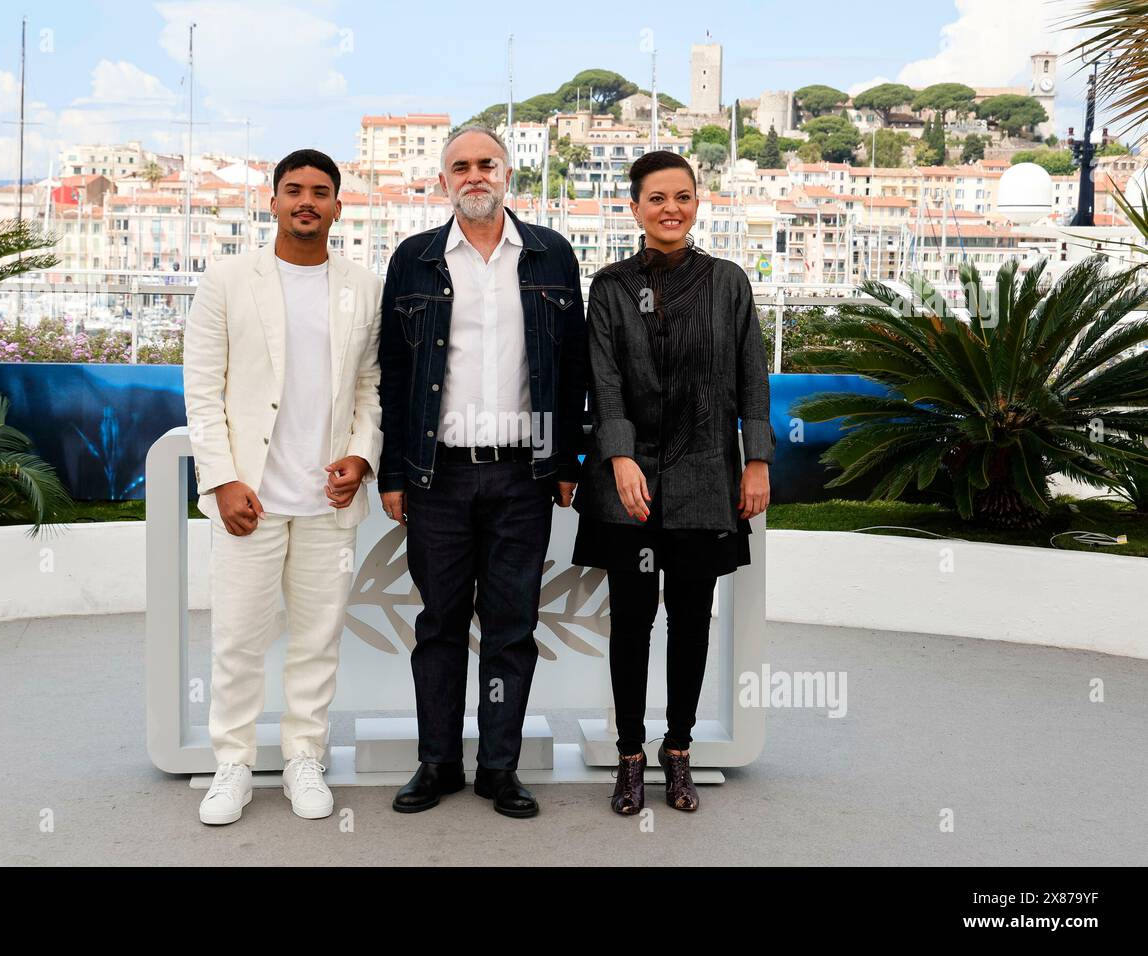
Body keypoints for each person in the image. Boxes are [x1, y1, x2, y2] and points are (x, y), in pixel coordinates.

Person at [377, 126, 588, 818]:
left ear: (507, 175)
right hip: (437, 476)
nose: (474, 175)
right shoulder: (414, 260)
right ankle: (437, 762)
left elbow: (571, 371)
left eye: (486, 164)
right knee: (439, 623)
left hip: (523, 477)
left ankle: (499, 766)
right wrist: (393, 473)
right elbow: (395, 375)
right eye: (460, 166)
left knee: (511, 625)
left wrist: (565, 459)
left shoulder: (552, 253)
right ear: (444, 181)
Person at [182, 149, 384, 824]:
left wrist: (360, 457)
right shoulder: (228, 280)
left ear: (337, 206)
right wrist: (224, 480)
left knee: (317, 641)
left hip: (327, 500)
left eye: (320, 192)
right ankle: (232, 764)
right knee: (238, 641)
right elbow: (202, 393)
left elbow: (370, 387)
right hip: (250, 501)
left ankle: (305, 757)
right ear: (271, 201)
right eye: (294, 190)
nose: (307, 201)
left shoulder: (361, 285)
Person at [570, 150, 774, 815]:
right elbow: (600, 383)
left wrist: (758, 460)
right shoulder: (609, 287)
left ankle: (677, 750)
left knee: (691, 621)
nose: (670, 208)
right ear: (634, 208)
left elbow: (752, 380)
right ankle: (631, 756)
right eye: (657, 198)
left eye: (682, 196)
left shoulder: (728, 283)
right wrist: (619, 457)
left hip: (705, 478)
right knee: (631, 621)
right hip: (626, 485)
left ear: (697, 202)